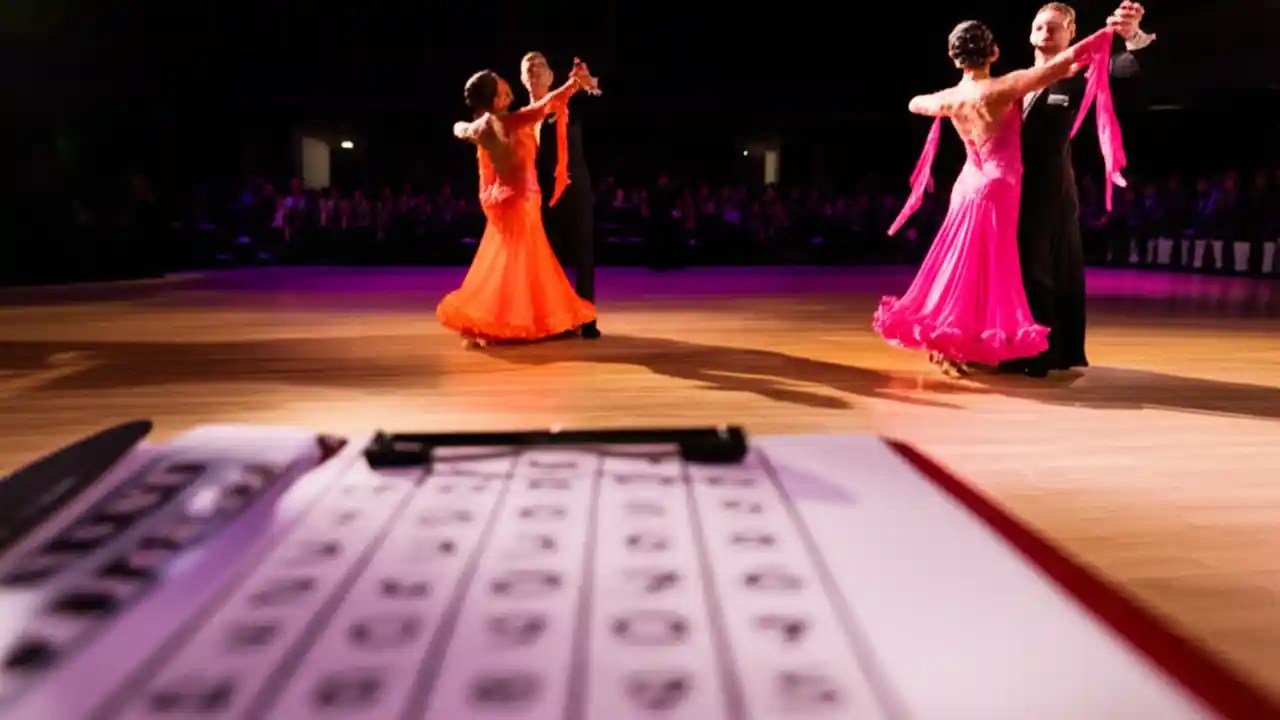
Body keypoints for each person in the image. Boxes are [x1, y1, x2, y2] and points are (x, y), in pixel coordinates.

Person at [874, 20, 1123, 375]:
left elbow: (915, 104)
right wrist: (1105, 35)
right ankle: (983, 342)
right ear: (994, 52)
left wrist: (944, 100)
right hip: (998, 187)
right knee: (992, 271)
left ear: (955, 59)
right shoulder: (1005, 87)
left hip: (966, 186)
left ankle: (951, 340)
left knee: (962, 268)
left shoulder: (950, 98)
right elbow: (1060, 63)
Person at [1003, 1, 1155, 376]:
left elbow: (1125, 72)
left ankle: (1040, 352)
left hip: (1050, 191)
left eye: (1057, 26)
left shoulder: (1080, 75)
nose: (1047, 31)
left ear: (1072, 34)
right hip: (1007, 191)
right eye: (1041, 24)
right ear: (1029, 33)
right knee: (1014, 268)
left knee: (1041, 268)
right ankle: (1011, 342)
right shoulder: (1014, 80)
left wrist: (1131, 38)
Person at [436, 61, 598, 346]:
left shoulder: (497, 123)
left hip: (521, 201)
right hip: (521, 201)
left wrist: (469, 126)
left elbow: (460, 127)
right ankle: (519, 323)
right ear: (495, 100)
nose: (508, 93)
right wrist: (571, 86)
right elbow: (541, 107)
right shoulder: (506, 122)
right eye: (503, 91)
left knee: (518, 267)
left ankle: (520, 321)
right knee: (521, 266)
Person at [520, 51, 602, 339]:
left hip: (575, 190)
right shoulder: (523, 119)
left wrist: (587, 81)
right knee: (546, 260)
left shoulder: (568, 103)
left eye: (541, 66)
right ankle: (554, 319)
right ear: (523, 79)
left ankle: (588, 320)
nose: (535, 71)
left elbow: (593, 93)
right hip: (541, 199)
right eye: (529, 68)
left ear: (552, 76)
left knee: (583, 255)